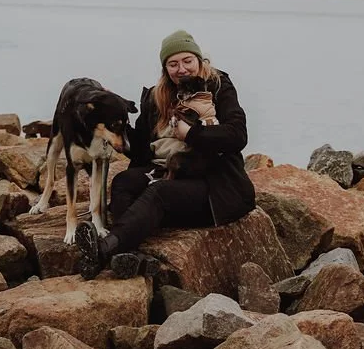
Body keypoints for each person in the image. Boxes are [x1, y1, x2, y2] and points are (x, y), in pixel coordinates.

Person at [74, 29, 256, 279]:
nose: (181, 69)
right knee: (123, 182)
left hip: (213, 188)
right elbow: (140, 149)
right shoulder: (156, 96)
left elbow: (237, 136)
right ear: (165, 68)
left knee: (158, 193)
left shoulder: (218, 87)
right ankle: (126, 255)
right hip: (167, 174)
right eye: (173, 63)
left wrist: (191, 134)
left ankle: (104, 250)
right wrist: (114, 117)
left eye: (187, 61)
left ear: (199, 61)